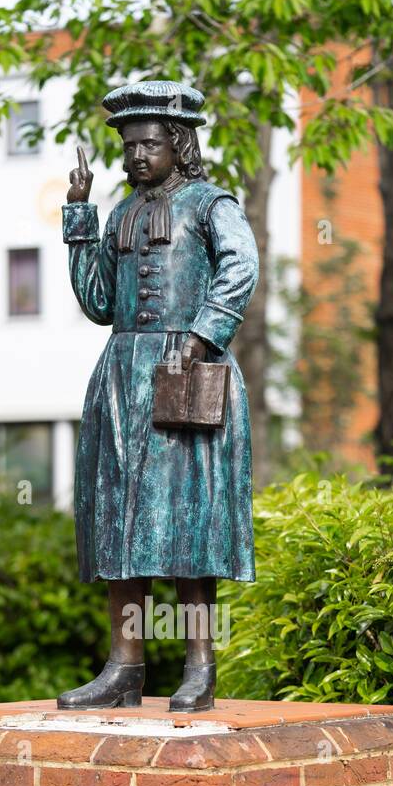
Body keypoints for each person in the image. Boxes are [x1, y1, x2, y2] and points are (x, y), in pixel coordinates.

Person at [57, 79, 259, 712]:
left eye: (149, 144)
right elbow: (96, 304)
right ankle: (125, 668)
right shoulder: (120, 214)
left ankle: (199, 667)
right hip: (122, 379)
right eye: (127, 146)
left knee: (186, 524)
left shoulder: (209, 203)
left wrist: (203, 334)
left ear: (178, 143)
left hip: (184, 373)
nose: (136, 157)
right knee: (120, 523)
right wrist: (80, 217)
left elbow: (242, 265)